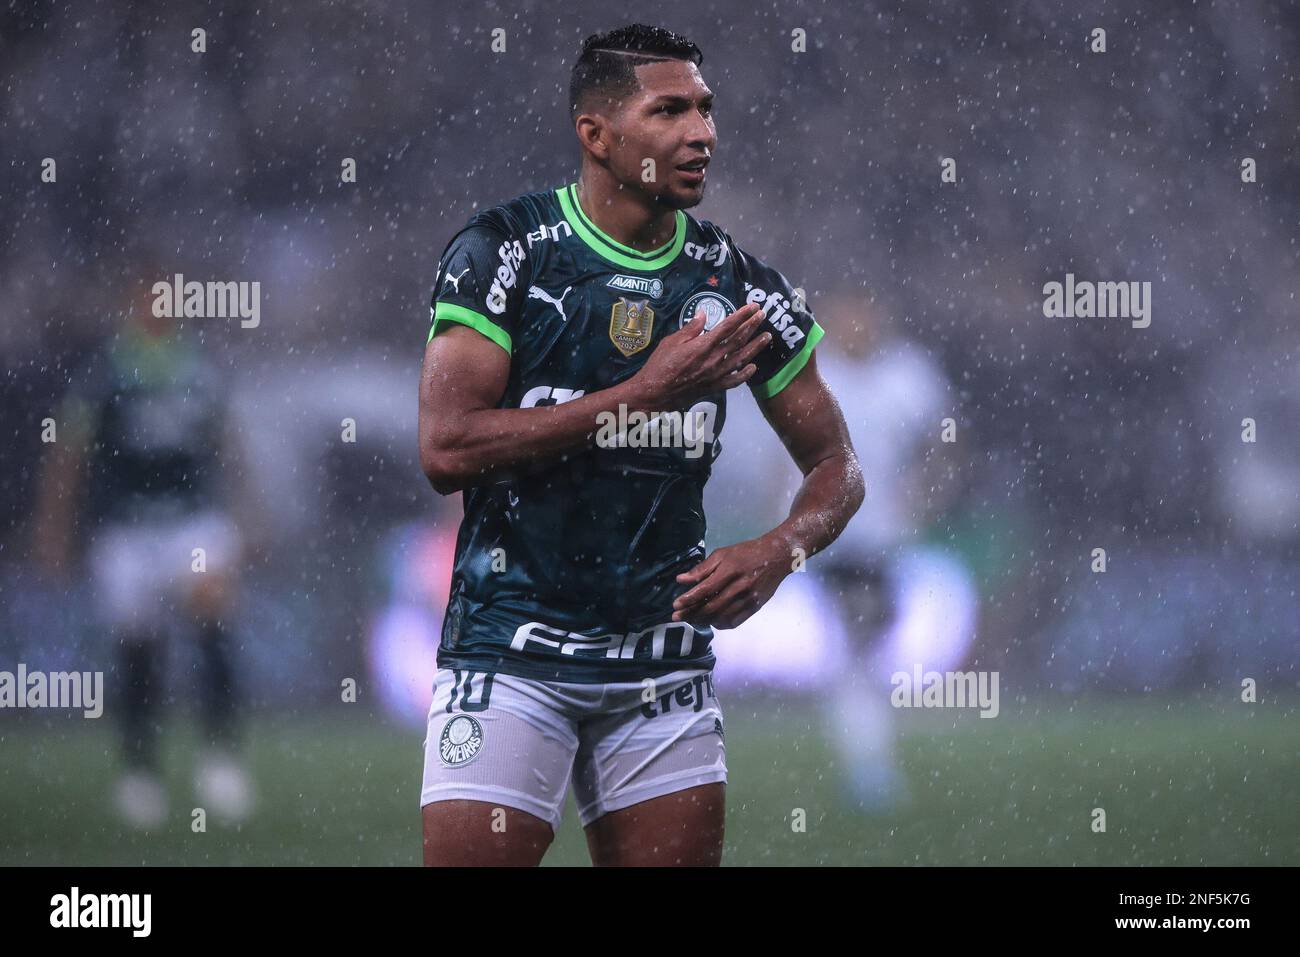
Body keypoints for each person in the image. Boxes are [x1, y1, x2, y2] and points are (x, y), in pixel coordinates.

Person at [418, 23, 864, 866]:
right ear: (597, 134)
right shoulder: (504, 254)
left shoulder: (736, 284)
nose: (702, 131)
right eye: (670, 110)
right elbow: (445, 449)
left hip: (663, 665)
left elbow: (838, 465)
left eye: (705, 109)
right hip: (511, 653)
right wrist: (640, 396)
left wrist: (780, 548)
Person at [32, 277, 254, 828]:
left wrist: (251, 513)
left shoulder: (198, 366)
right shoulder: (105, 373)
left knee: (213, 624)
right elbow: (70, 454)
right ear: (131, 304)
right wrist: (53, 529)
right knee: (139, 652)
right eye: (148, 297)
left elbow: (229, 442)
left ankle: (220, 760)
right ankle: (140, 773)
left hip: (190, 523)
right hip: (126, 529)